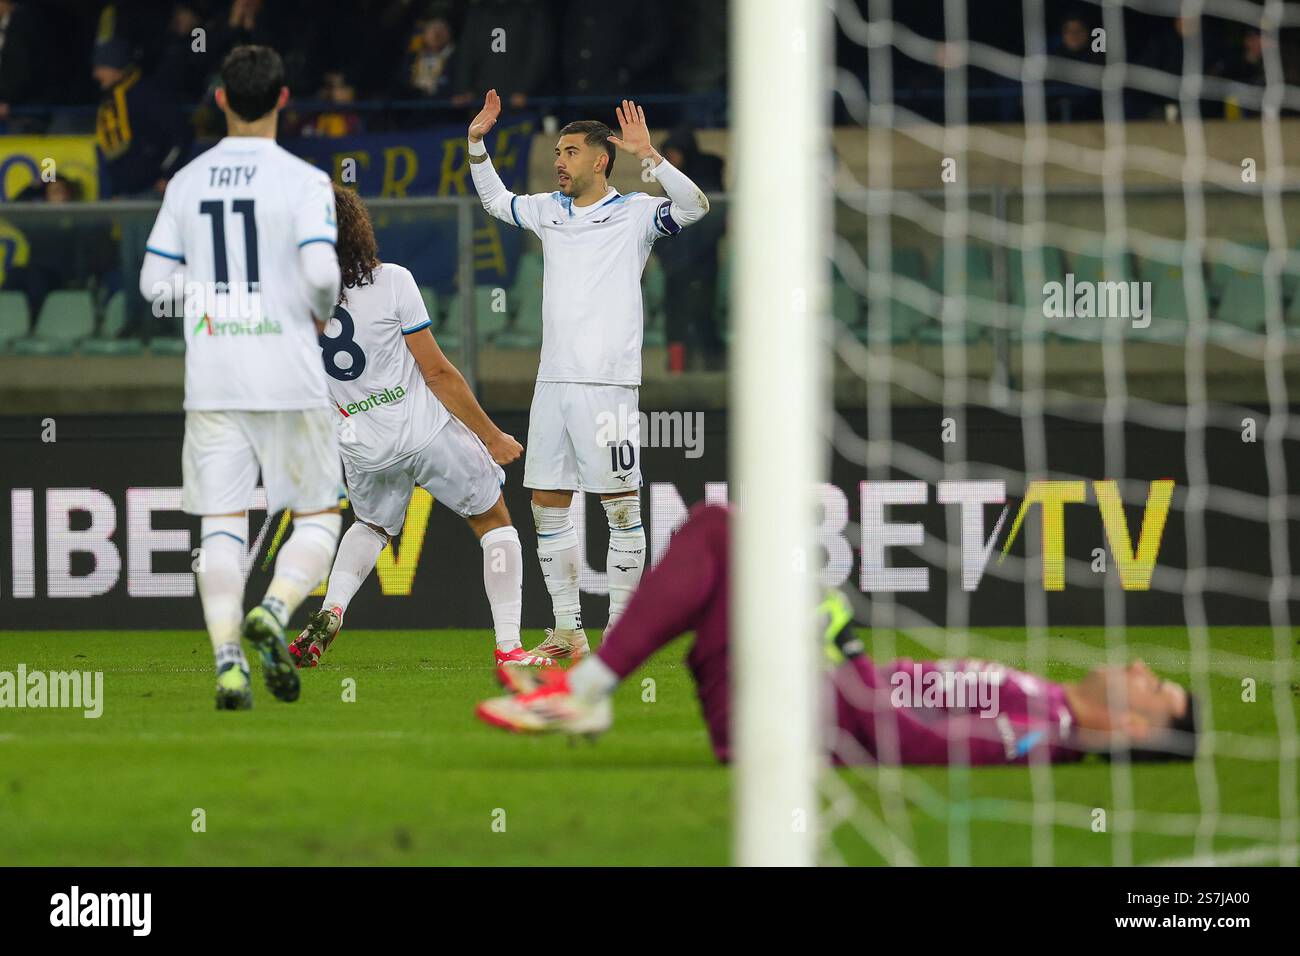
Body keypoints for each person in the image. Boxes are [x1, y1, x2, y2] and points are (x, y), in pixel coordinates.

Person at [478, 506, 1200, 767]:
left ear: (1136, 726)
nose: (1140, 666)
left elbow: (916, 739)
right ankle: (592, 688)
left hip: (791, 720)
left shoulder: (1043, 734)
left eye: (1155, 688)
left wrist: (839, 662)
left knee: (719, 535)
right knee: (718, 535)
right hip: (800, 698)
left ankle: (591, 689)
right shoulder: (1048, 701)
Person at [467, 91, 711, 661]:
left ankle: (621, 635)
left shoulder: (636, 215)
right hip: (552, 383)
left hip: (608, 386)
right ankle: (569, 632)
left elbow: (696, 205)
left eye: (571, 152)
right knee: (547, 503)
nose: (560, 161)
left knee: (621, 507)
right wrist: (477, 145)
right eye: (558, 151)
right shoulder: (549, 209)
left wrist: (649, 156)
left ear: (601, 159)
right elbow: (498, 202)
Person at [138, 45, 344, 710]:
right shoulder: (305, 181)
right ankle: (276, 610)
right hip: (287, 374)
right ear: (285, 99)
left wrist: (211, 300)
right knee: (318, 516)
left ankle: (228, 659)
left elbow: (152, 286)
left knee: (220, 528)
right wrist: (312, 315)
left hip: (215, 378)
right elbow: (319, 275)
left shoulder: (188, 182)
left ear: (221, 98)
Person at [287, 186, 550, 670]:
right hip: (422, 432)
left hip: (360, 444)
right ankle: (510, 648)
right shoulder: (393, 282)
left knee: (370, 525)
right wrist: (492, 436)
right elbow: (438, 374)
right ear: (357, 231)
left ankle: (331, 612)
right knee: (493, 521)